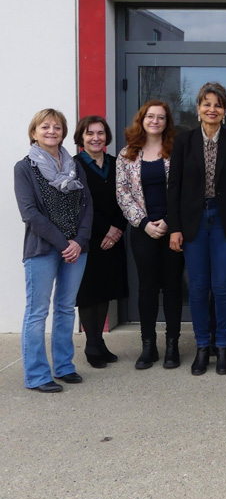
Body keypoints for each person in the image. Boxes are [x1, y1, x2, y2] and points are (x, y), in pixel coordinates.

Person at [168, 82, 226, 376]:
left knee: (224, 287)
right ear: (198, 109)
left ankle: (223, 346)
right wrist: (174, 228)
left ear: (225, 110)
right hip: (192, 222)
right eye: (206, 104)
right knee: (198, 287)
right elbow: (174, 187)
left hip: (224, 222)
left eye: (217, 105)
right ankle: (203, 346)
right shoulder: (184, 142)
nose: (211, 109)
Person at [14, 108, 92, 392]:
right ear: (34, 133)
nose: (51, 131)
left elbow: (87, 205)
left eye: (57, 127)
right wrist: (65, 244)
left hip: (76, 249)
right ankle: (36, 375)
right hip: (43, 249)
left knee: (65, 309)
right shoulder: (24, 168)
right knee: (37, 312)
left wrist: (79, 242)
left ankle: (63, 366)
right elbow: (30, 214)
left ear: (63, 132)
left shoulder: (74, 165)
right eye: (44, 127)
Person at [117, 100, 185, 371]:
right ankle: (148, 346)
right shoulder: (127, 154)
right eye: (150, 116)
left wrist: (170, 222)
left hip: (173, 230)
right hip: (142, 231)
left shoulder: (177, 151)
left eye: (161, 117)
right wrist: (144, 223)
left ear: (167, 122)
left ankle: (172, 346)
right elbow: (122, 194)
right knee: (146, 289)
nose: (155, 121)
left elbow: (185, 189)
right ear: (142, 119)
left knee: (172, 288)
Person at [73, 116, 128, 368]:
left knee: (105, 290)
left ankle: (99, 342)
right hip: (88, 238)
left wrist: (117, 229)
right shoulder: (73, 166)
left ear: (107, 136)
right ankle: (92, 345)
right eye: (90, 133)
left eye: (101, 133)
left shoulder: (117, 164)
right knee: (88, 293)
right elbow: (77, 206)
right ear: (81, 137)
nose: (96, 137)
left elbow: (126, 197)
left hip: (113, 238)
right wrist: (105, 230)